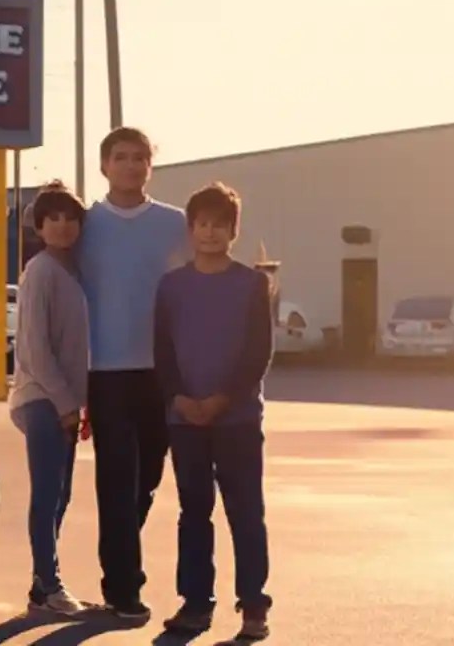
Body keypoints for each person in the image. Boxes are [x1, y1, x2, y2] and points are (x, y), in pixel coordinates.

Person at [154, 182, 274, 642]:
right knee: (194, 511)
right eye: (201, 224)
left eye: (219, 225)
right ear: (190, 229)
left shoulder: (252, 283)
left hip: (238, 420)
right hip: (184, 420)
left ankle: (254, 605)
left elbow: (258, 353)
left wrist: (223, 399)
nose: (209, 232)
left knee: (245, 511)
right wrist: (181, 398)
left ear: (233, 231)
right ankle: (195, 601)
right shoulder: (171, 286)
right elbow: (162, 351)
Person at [78, 127, 189, 622]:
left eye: (139, 157)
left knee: (147, 479)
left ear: (150, 165)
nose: (129, 165)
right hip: (105, 374)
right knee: (117, 480)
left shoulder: (176, 224)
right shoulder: (83, 224)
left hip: (162, 373)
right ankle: (124, 588)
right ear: (104, 166)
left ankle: (120, 551)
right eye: (120, 157)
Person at [10, 180, 92, 616]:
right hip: (41, 399)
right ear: (39, 227)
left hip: (65, 402)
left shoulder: (74, 270)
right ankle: (49, 585)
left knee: (61, 495)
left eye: (70, 217)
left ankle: (45, 587)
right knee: (47, 493)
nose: (62, 225)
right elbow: (35, 349)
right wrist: (64, 404)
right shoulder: (40, 270)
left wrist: (82, 404)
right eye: (52, 218)